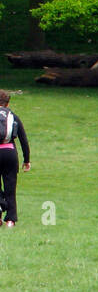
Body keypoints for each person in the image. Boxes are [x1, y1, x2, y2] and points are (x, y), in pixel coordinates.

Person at [0, 90, 31, 227]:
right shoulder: (13, 116)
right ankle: (10, 220)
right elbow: (23, 140)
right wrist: (26, 160)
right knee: (10, 187)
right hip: (10, 154)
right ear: (7, 103)